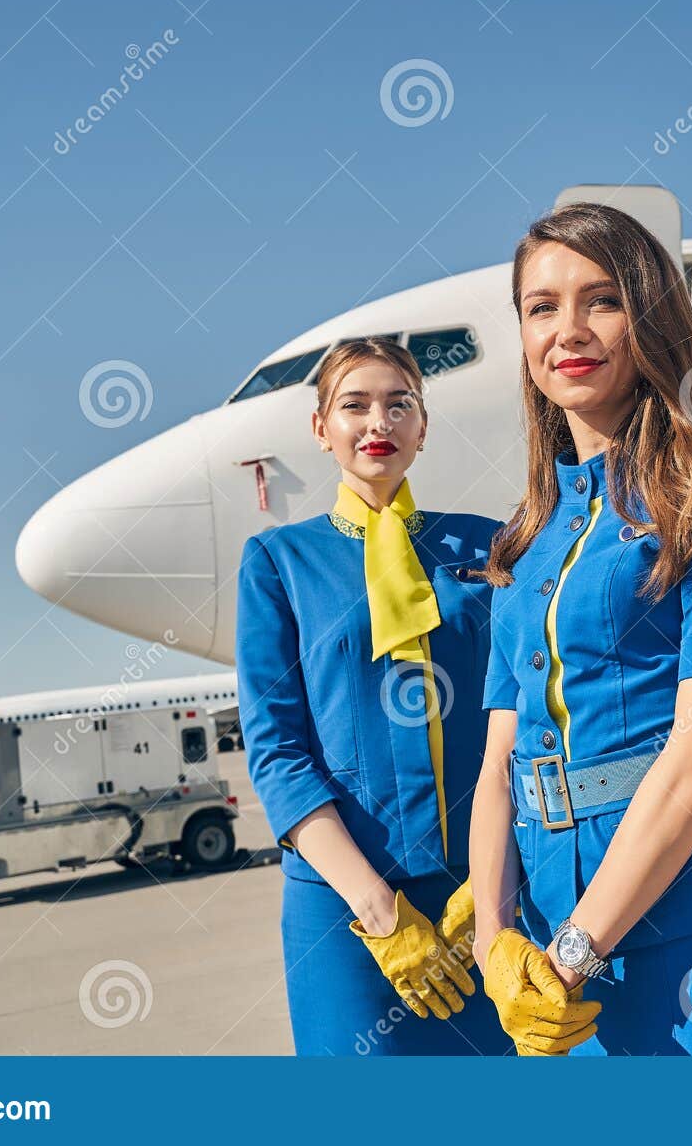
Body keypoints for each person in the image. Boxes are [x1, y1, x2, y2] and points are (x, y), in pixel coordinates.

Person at [469, 202, 692, 1056]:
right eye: (541, 307)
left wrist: (575, 953)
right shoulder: (523, 539)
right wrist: (491, 938)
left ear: (650, 317)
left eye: (603, 299)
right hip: (551, 953)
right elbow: (498, 763)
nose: (569, 329)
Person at [236, 338, 510, 1056]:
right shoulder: (278, 563)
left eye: (399, 403)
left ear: (423, 427)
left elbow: (526, 717)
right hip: (345, 908)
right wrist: (381, 913)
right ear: (321, 429)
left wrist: (496, 877)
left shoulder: (487, 546)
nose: (376, 420)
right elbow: (278, 753)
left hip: (483, 890)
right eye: (353, 405)